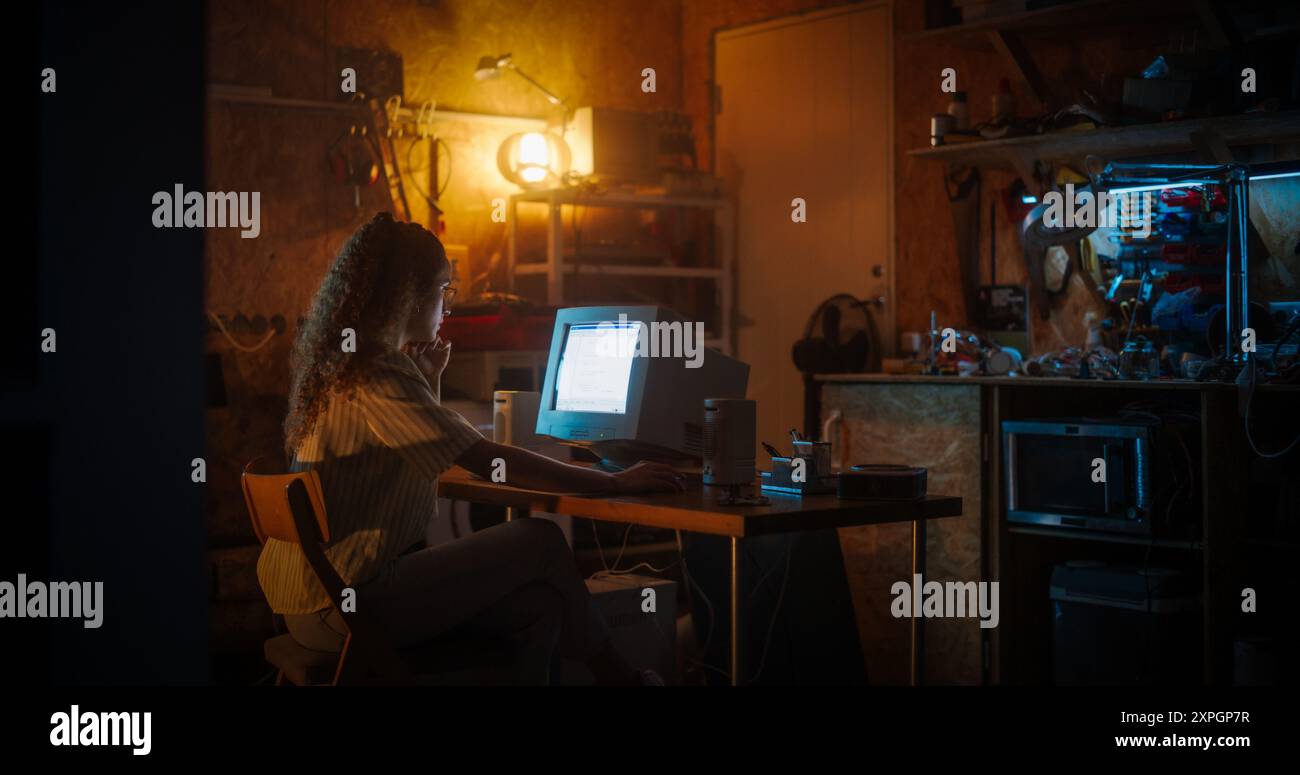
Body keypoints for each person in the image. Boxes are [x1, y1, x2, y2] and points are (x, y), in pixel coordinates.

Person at [257, 212, 683, 685]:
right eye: (443, 290)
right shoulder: (376, 373)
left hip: (311, 600)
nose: (447, 305)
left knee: (540, 606)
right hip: (346, 605)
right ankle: (622, 680)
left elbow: (421, 446)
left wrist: (430, 380)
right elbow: (486, 459)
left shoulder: (349, 365)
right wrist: (615, 482)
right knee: (540, 539)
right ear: (407, 293)